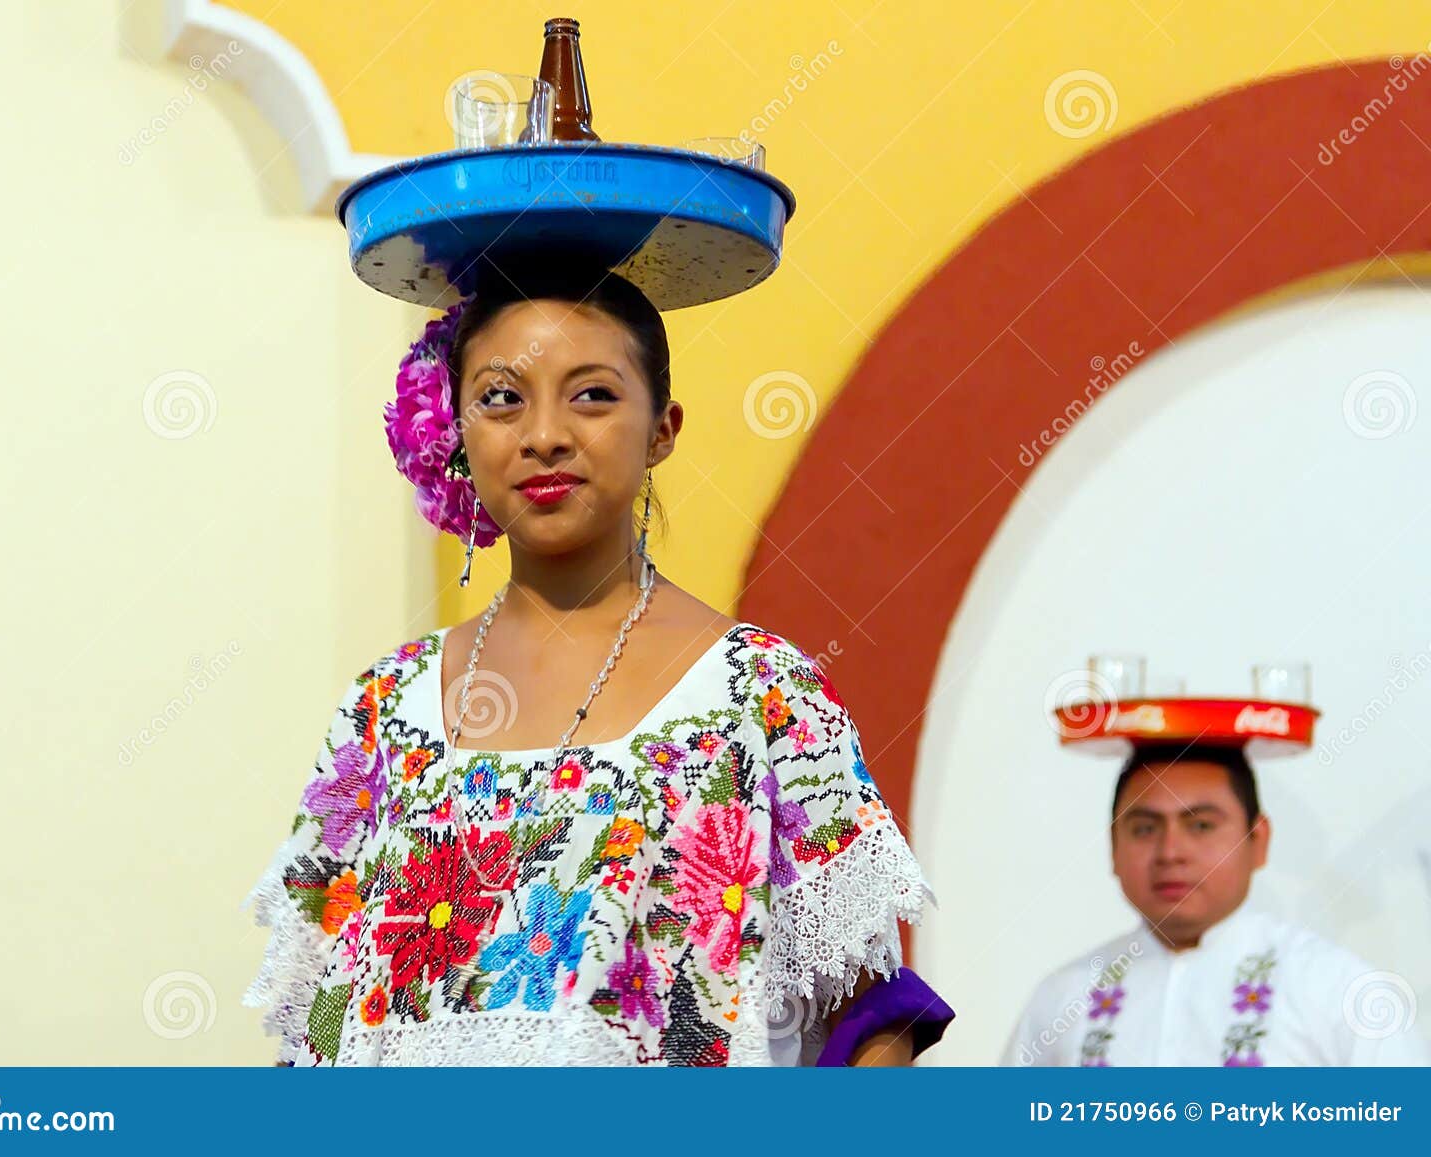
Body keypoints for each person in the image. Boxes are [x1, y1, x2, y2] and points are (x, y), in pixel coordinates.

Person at [242, 263, 952, 1066]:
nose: (543, 433)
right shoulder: (383, 709)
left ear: (663, 428)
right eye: (502, 397)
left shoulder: (759, 696)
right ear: (456, 431)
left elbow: (873, 1014)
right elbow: (317, 1031)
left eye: (592, 394)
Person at [1003, 741, 1429, 1066]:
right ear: (1114, 847)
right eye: (1145, 828)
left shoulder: (1339, 990)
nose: (1171, 852)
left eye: (1201, 825)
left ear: (1257, 841)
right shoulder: (1063, 998)